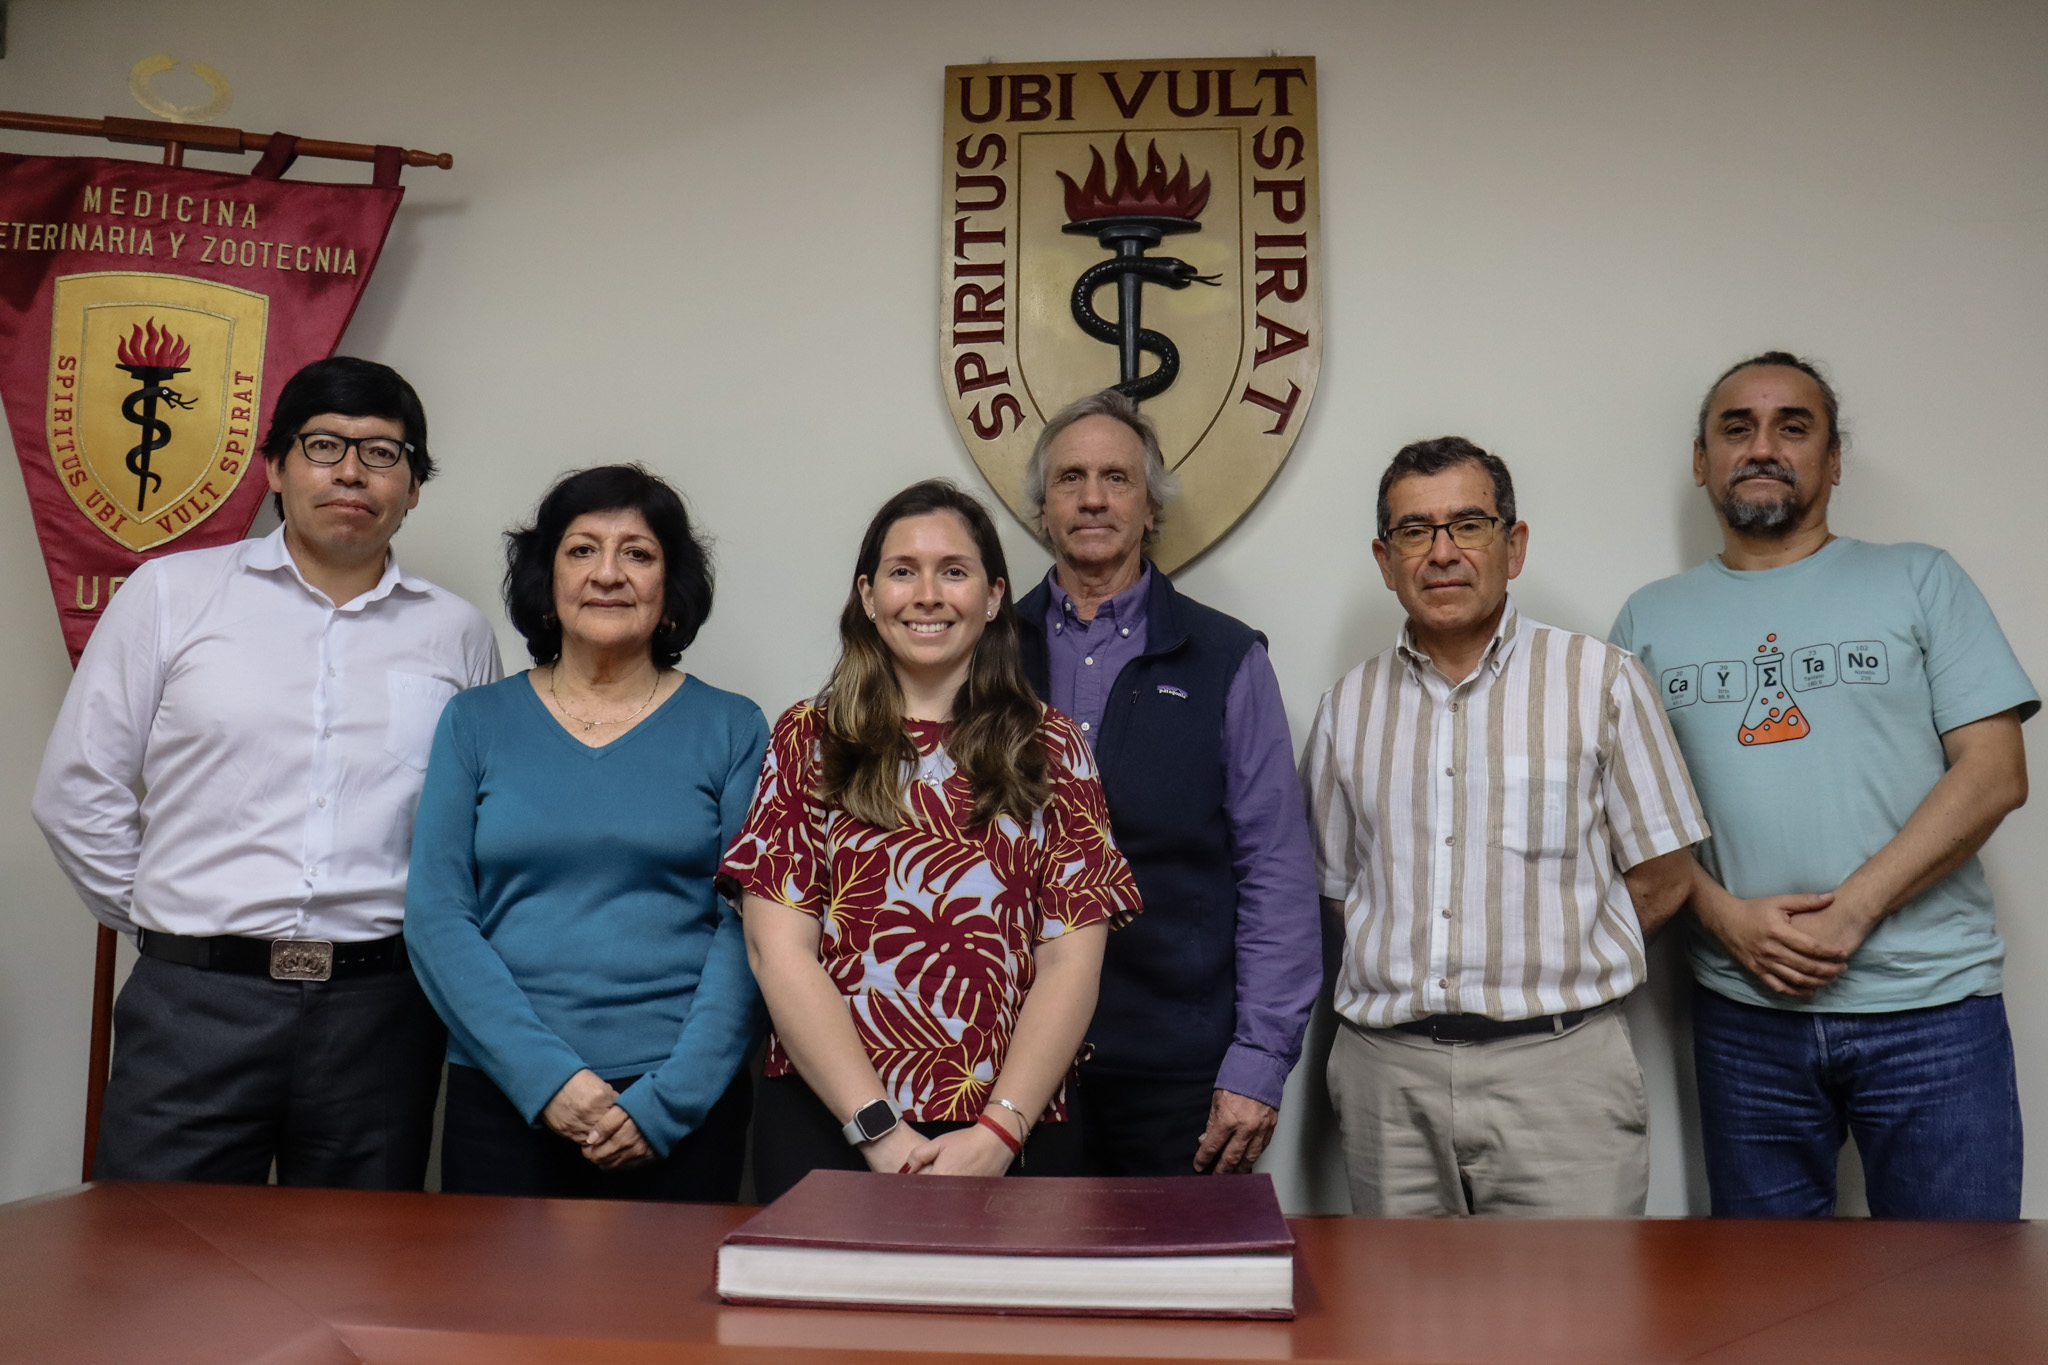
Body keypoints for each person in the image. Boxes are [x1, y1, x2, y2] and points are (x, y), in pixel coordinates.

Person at [32, 356, 499, 1187]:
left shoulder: (455, 634)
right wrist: (165, 928)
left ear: (415, 487)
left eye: (384, 453)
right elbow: (78, 788)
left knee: (354, 1279)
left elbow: (478, 823)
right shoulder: (171, 594)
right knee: (158, 1268)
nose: (352, 471)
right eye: (324, 445)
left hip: (381, 1011)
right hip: (194, 1006)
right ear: (275, 465)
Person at [1611, 352, 2034, 1219]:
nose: (1762, 446)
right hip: (1744, 1013)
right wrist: (1726, 918)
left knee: (1958, 1303)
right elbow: (1632, 818)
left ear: (1833, 461)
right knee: (1767, 1311)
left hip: (1933, 1009)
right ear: (1702, 461)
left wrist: (1856, 908)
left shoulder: (1922, 578)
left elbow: (1995, 773)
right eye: (1737, 427)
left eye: (1792, 426)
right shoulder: (1646, 620)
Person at [1300, 436, 1708, 1217]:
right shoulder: (1345, 708)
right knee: (1397, 1332)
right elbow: (1334, 891)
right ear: (1386, 562)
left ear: (1512, 545)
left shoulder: (1603, 682)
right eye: (1415, 531)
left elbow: (1666, 871)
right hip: (1389, 1077)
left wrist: (1564, 955)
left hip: (1561, 1073)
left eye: (1469, 525)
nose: (1442, 552)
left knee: (1575, 1331)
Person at [725, 479, 1141, 1200]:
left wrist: (998, 1135)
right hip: (827, 1122)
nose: (927, 594)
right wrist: (880, 1131)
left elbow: (1073, 959)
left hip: (1017, 1126)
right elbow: (776, 948)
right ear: (867, 594)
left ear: (992, 597)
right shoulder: (806, 738)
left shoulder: (1055, 747)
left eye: (954, 570)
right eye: (901, 570)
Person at [405, 465, 767, 1201]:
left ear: (672, 586)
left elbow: (750, 928)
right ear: (547, 578)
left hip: (682, 1102)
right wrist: (548, 1080)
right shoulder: (475, 723)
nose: (608, 573)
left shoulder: (733, 727)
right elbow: (437, 915)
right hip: (506, 1094)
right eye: (581, 550)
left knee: (669, 1317)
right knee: (495, 1317)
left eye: (637, 552)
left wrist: (668, 1102)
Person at [1012, 390, 1321, 1178]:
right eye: (1069, 478)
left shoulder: (1226, 660)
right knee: (1017, 1296)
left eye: (1116, 478)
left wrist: (1258, 1060)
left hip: (1177, 1072)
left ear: (1151, 505)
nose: (1091, 497)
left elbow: (1275, 871)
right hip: (1005, 1067)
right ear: (1041, 507)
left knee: (1171, 1298)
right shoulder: (981, 654)